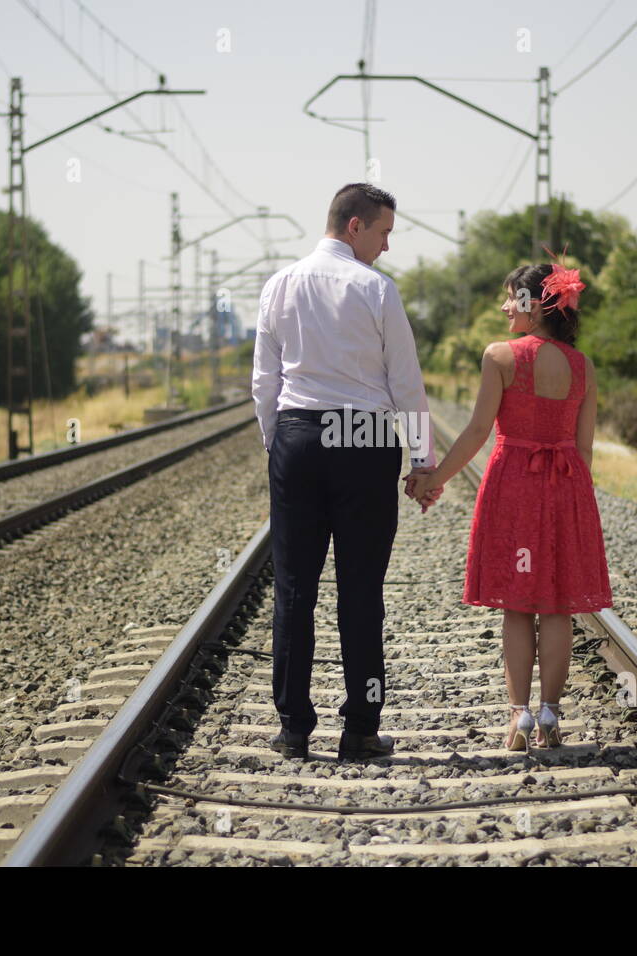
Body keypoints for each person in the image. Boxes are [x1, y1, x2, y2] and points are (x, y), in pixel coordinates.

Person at [252, 182, 440, 762]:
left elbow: (264, 382)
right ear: (354, 225)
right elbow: (405, 381)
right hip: (363, 438)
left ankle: (293, 730)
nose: (386, 246)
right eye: (383, 232)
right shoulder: (377, 289)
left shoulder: (279, 284)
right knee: (361, 590)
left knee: (293, 588)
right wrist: (422, 461)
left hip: (299, 436)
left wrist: (281, 444)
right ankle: (360, 729)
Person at [407, 254, 613, 751]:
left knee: (518, 606)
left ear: (533, 305)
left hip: (514, 487)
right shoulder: (583, 367)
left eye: (511, 299)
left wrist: (435, 478)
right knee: (558, 606)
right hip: (566, 488)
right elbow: (584, 449)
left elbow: (478, 430)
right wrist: (574, 507)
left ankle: (519, 715)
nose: (505, 307)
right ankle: (550, 713)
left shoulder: (499, 357)